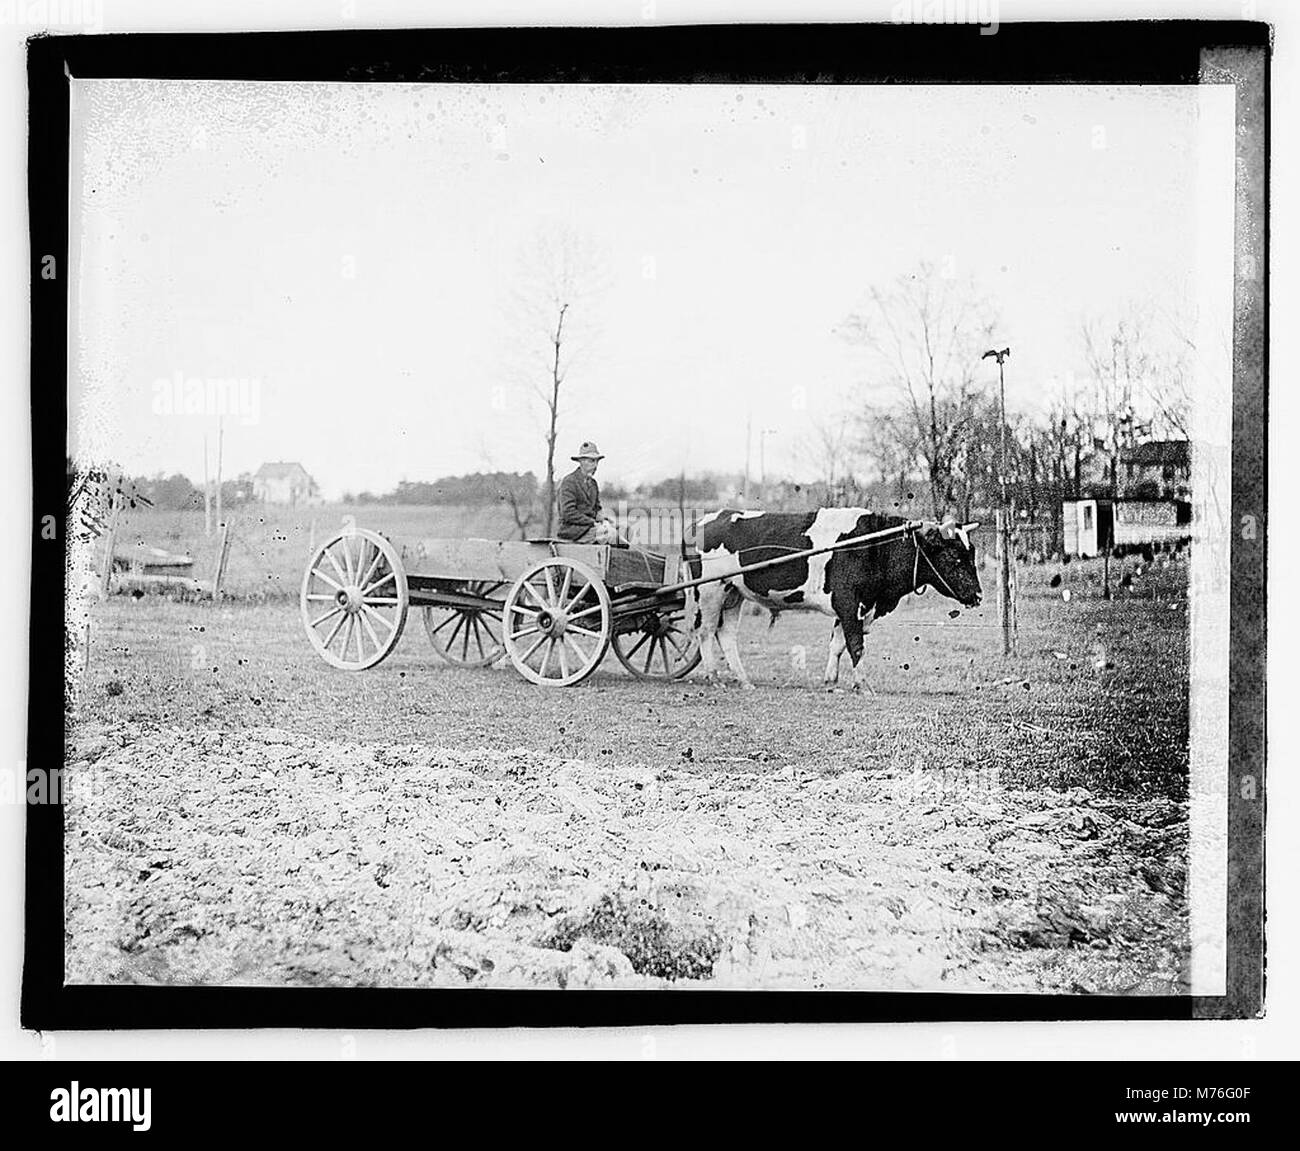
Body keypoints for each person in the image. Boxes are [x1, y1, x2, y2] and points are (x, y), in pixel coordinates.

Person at [557, 442, 627, 546]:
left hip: (590, 528)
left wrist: (606, 520)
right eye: (591, 461)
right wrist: (593, 522)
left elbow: (597, 509)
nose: (595, 466)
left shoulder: (593, 484)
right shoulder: (569, 482)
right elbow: (568, 513)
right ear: (581, 462)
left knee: (624, 530)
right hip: (573, 531)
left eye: (597, 462)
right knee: (611, 536)